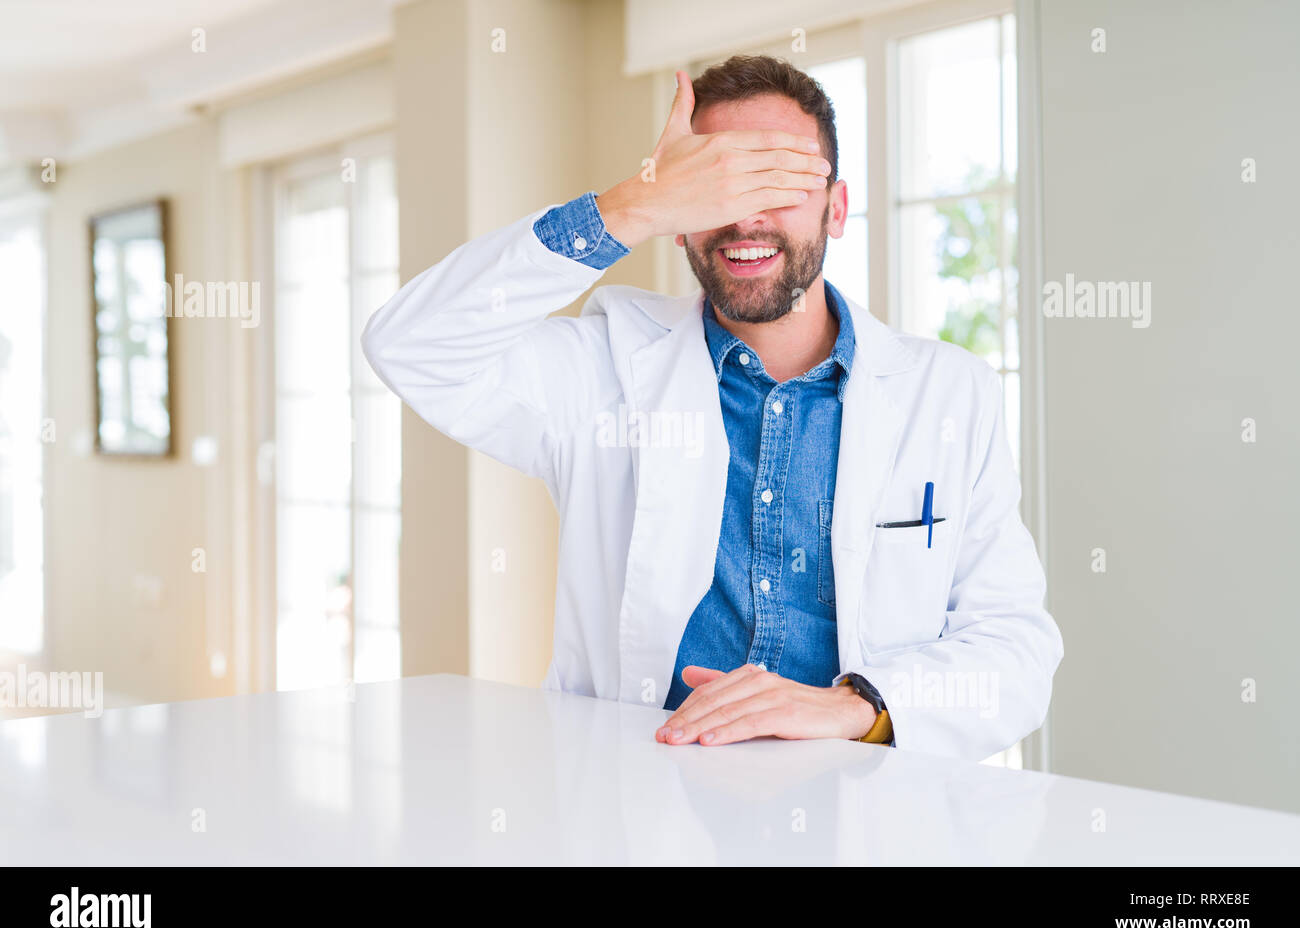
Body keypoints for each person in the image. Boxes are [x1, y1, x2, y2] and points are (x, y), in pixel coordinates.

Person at [362, 55, 1062, 760]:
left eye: (780, 182)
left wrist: (853, 707)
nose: (744, 217)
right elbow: (410, 344)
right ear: (678, 218)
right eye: (715, 186)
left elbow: (1016, 652)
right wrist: (631, 203)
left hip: (865, 823)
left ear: (837, 207)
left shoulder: (949, 395)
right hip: (635, 810)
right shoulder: (603, 371)